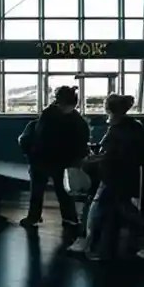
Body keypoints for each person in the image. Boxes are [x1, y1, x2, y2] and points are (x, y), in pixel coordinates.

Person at [71, 94, 144, 259]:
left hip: (113, 176)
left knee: (98, 209)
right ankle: (141, 234)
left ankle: (90, 244)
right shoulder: (133, 127)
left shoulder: (117, 129)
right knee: (121, 206)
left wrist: (94, 158)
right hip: (125, 175)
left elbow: (113, 155)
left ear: (111, 110)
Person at [20, 86, 89, 228]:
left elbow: (39, 138)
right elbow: (81, 142)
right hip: (62, 162)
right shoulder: (77, 120)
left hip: (41, 160)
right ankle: (69, 218)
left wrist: (32, 154)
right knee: (63, 191)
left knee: (37, 191)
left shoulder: (47, 115)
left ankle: (33, 217)